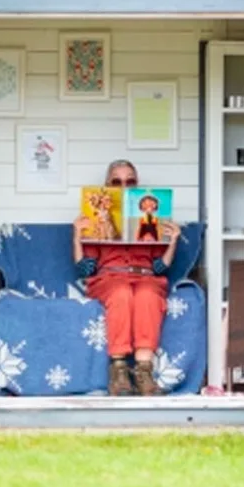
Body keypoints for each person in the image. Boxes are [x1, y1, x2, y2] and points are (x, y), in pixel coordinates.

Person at [73, 160, 178, 395]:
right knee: (121, 293)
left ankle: (144, 373)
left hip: (146, 277)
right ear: (107, 185)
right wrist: (77, 236)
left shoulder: (153, 218)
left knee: (147, 295)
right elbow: (85, 270)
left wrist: (172, 242)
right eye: (116, 182)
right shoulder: (93, 219)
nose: (123, 185)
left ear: (137, 185)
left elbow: (161, 268)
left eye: (129, 181)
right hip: (110, 279)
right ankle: (119, 371)